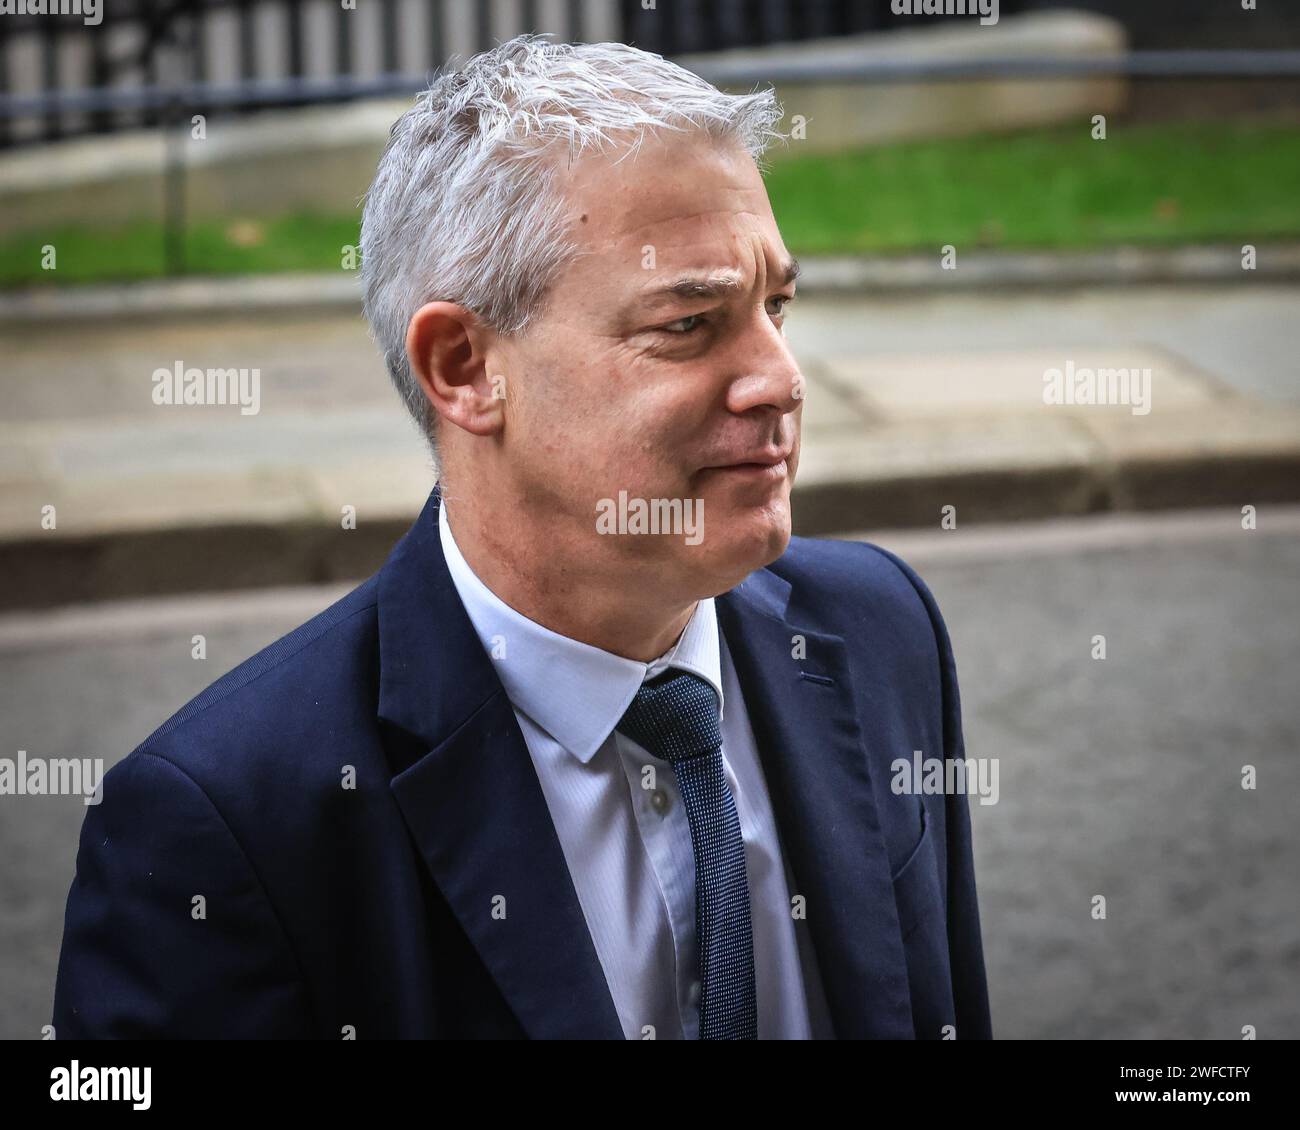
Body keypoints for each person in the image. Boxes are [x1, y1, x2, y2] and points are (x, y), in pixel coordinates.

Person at [51, 34, 991, 1040]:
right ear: (463, 366)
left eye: (775, 305)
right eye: (687, 323)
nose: (780, 377)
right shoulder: (232, 821)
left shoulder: (878, 631)